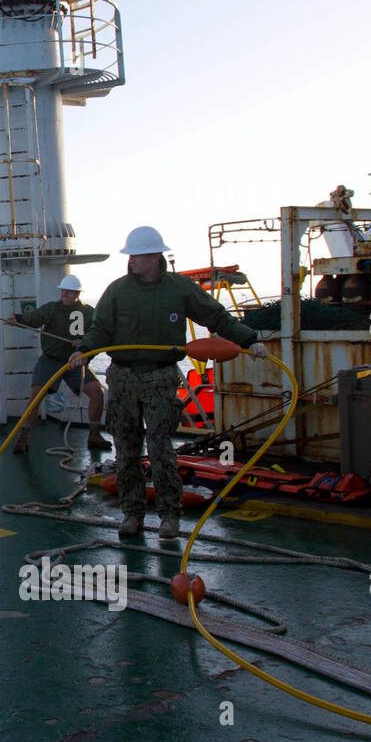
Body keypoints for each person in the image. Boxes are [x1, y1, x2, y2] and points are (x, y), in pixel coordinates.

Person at [69, 226, 267, 540]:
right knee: (126, 450)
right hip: (122, 377)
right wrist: (84, 352)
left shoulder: (180, 289)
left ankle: (169, 518)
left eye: (137, 256)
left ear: (153, 257)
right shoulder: (117, 290)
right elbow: (100, 330)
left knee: (162, 450)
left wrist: (250, 340)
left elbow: (217, 317)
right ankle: (132, 515)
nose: (131, 261)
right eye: (130, 256)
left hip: (161, 377)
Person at [10, 274, 110, 453]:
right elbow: (34, 318)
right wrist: (18, 319)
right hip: (50, 361)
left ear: (76, 294)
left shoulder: (88, 313)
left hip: (76, 363)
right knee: (35, 398)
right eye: (63, 290)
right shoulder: (51, 309)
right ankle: (22, 438)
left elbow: (98, 333)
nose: (64, 294)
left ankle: (94, 435)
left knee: (97, 392)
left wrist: (83, 343)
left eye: (68, 291)